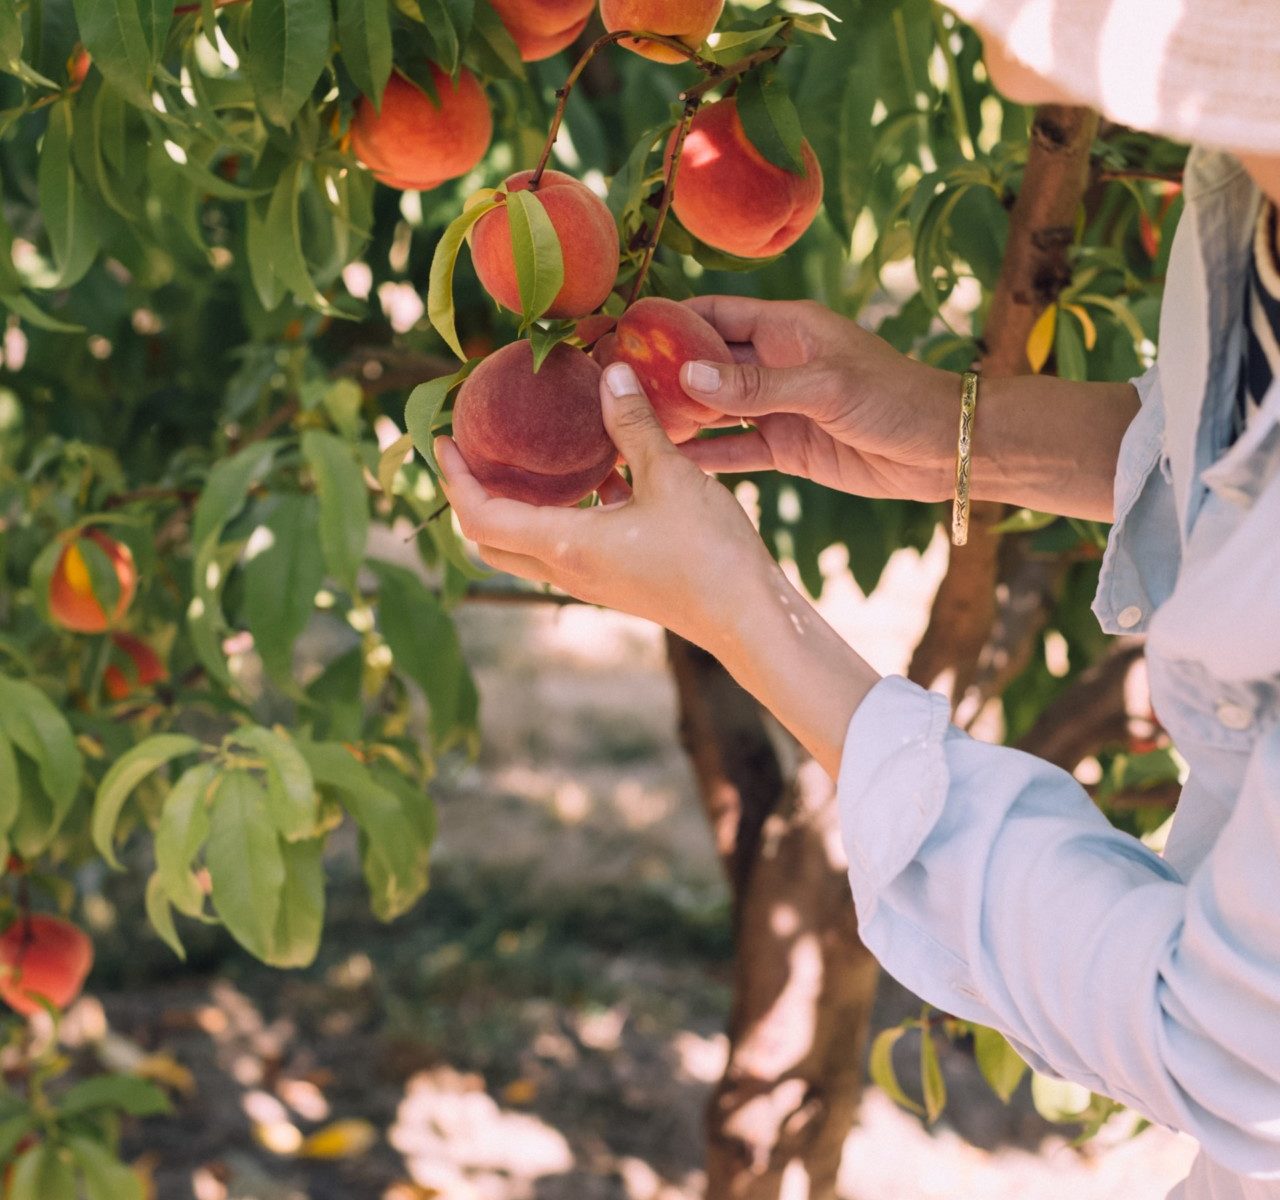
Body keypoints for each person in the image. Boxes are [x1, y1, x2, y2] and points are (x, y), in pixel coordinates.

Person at [436, 2, 1280, 1196]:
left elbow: (1229, 1057)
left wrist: (746, 618)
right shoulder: (1249, 175)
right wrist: (948, 431)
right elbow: (1247, 459)